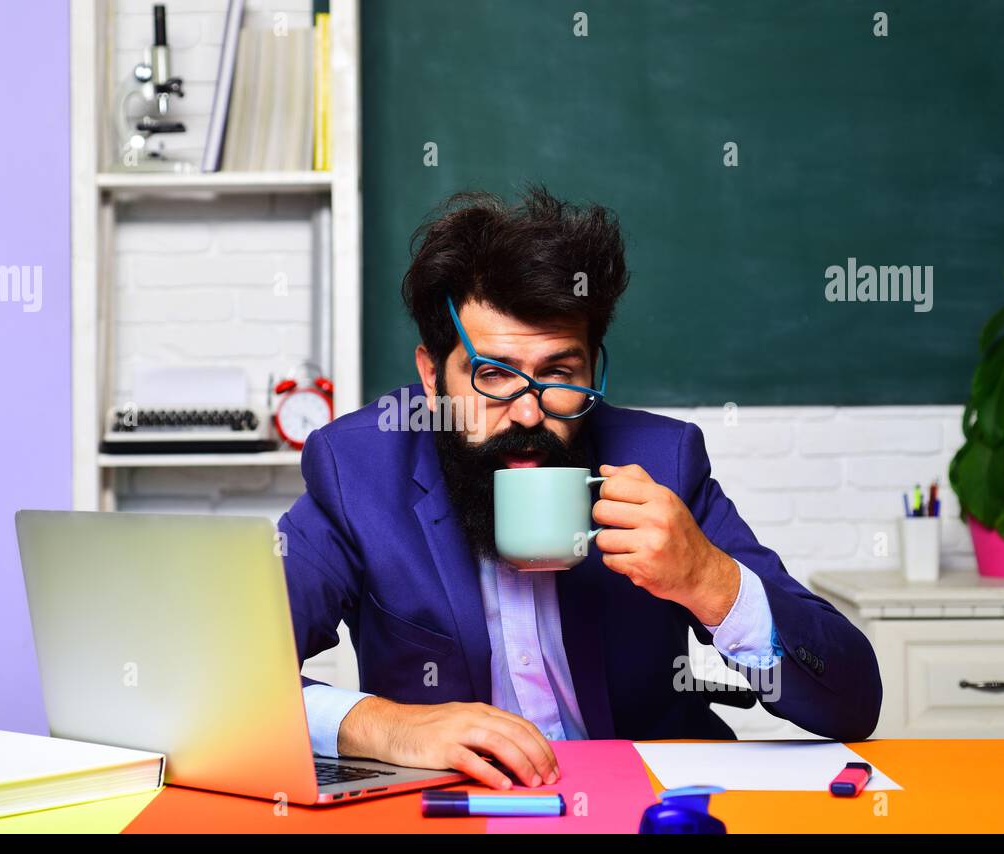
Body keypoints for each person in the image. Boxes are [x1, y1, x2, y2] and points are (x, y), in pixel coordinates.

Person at [278, 185, 882, 790]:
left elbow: (852, 701)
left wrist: (709, 581)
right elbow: (221, 679)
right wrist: (386, 726)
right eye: (491, 375)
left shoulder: (662, 461)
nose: (527, 415)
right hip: (452, 814)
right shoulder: (357, 470)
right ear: (433, 378)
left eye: (559, 375)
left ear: (593, 367)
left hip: (648, 811)